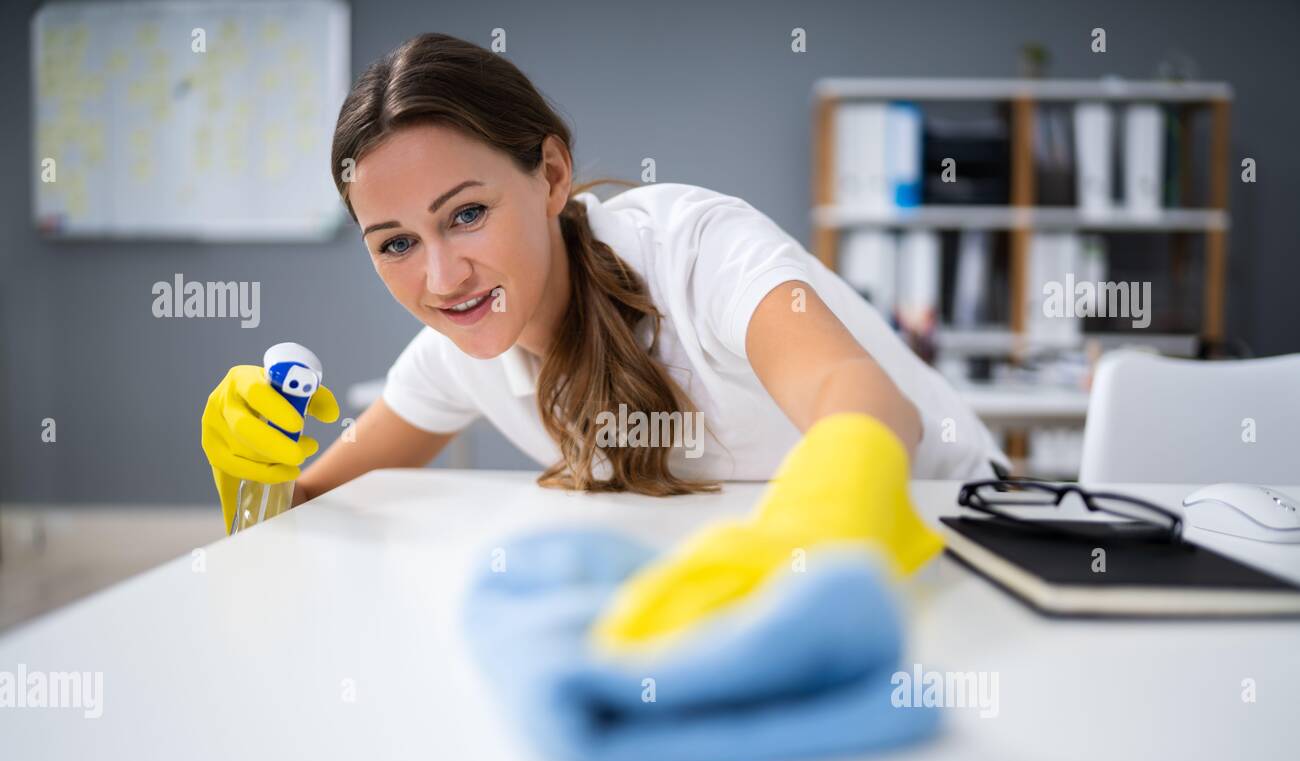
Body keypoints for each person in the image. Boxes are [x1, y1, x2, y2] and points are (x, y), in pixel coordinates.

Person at [201, 32, 1004, 535]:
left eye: (469, 214)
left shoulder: (695, 247)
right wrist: (252, 476)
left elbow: (859, 396)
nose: (442, 277)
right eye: (397, 242)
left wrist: (828, 500)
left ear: (552, 175)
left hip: (956, 532)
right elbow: (303, 511)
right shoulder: (457, 353)